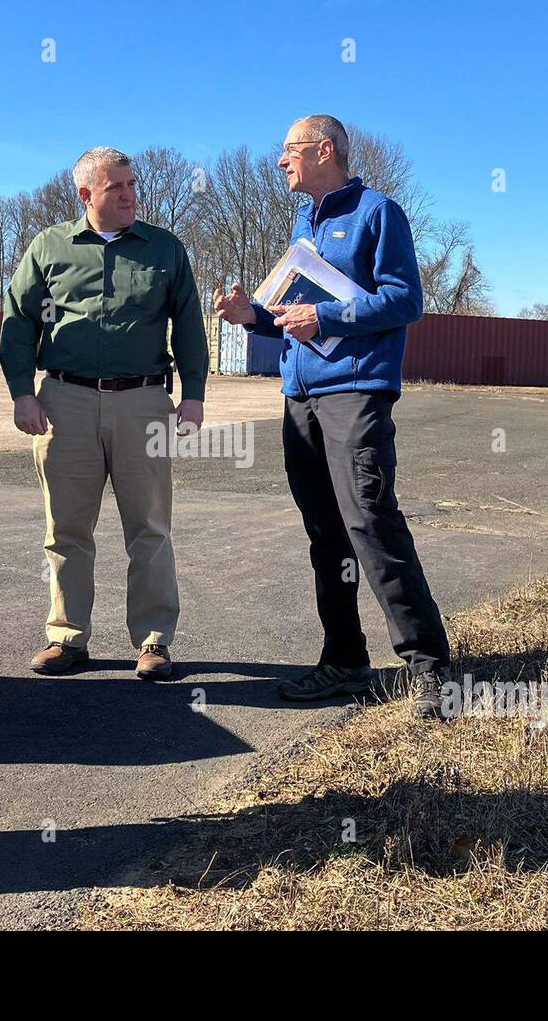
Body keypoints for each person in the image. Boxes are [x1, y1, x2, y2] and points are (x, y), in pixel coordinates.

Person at [215, 114, 450, 710]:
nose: (279, 161)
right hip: (299, 397)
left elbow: (405, 300)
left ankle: (430, 668)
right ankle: (345, 660)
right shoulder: (303, 223)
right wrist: (254, 316)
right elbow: (294, 311)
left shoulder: (378, 212)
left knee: (370, 519)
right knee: (325, 531)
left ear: (325, 150)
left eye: (288, 150)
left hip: (355, 391)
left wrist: (328, 318)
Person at [0, 147, 208, 681]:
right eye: (117, 187)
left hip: (143, 400)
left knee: (150, 527)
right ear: (85, 194)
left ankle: (155, 641)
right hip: (63, 402)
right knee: (66, 528)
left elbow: (187, 323)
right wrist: (23, 391)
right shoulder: (50, 246)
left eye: (132, 185)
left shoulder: (164, 249)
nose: (130, 195)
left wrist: (193, 393)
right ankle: (67, 638)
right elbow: (19, 321)